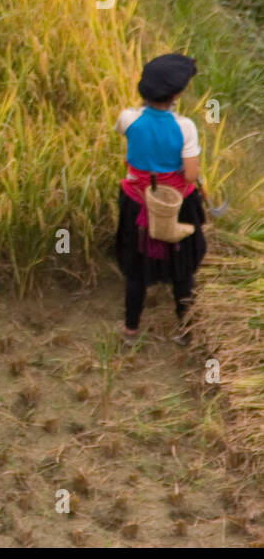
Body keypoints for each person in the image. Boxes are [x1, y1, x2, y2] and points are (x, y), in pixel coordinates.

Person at [113, 53, 206, 344]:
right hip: (176, 204)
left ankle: (130, 331)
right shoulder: (184, 127)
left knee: (136, 269)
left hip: (138, 201)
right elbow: (190, 175)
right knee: (182, 271)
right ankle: (187, 332)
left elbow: (130, 137)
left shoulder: (128, 118)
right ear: (177, 93)